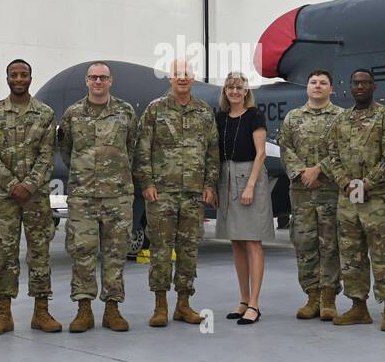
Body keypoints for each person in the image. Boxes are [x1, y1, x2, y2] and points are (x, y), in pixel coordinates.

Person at [135, 59, 219, 327]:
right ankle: (160, 305)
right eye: (177, 74)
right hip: (162, 194)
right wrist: (146, 183)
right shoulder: (155, 110)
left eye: (186, 74)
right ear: (170, 79)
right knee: (160, 250)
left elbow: (213, 152)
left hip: (194, 194)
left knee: (189, 250)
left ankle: (184, 304)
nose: (182, 78)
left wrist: (209, 184)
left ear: (193, 78)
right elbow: (142, 149)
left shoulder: (204, 112)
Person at [0, 58, 61, 335]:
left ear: (30, 77)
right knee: (4, 255)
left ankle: (41, 311)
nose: (18, 78)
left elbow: (48, 155)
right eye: (13, 75)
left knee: (40, 253)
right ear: (7, 79)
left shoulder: (46, 114)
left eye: (23, 74)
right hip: (4, 198)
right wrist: (13, 184)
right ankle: (3, 314)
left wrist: (29, 185)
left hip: (36, 198)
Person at [58, 61, 138, 333]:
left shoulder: (125, 112)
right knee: (82, 251)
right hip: (83, 197)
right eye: (93, 77)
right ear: (86, 81)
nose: (98, 82)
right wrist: (85, 175)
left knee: (115, 253)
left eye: (103, 77)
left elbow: (132, 148)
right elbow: (66, 151)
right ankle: (83, 309)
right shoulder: (72, 114)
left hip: (117, 196)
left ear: (111, 81)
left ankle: (113, 308)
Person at [325, 69, 385, 331]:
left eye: (365, 83)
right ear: (350, 87)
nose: (360, 87)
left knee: (383, 254)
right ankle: (358, 306)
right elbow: (332, 155)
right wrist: (346, 183)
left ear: (373, 86)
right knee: (351, 255)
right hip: (347, 200)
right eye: (355, 83)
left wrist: (367, 183)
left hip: (376, 198)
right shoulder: (341, 120)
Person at [277, 69, 344, 321]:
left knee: (330, 245)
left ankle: (328, 298)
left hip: (329, 191)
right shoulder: (293, 118)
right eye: (313, 82)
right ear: (307, 88)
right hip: (301, 192)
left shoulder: (341, 117)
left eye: (323, 83)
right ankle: (312, 296)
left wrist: (319, 170)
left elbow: (343, 150)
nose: (317, 86)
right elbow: (286, 149)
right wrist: (301, 172)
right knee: (304, 244)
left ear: (331, 89)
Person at [215, 71, 272, 326]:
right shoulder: (220, 118)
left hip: (250, 176)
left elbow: (261, 154)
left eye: (239, 87)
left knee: (252, 242)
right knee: (236, 241)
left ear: (246, 91)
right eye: (230, 87)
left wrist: (249, 186)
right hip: (226, 178)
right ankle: (243, 299)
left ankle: (255, 304)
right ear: (225, 91)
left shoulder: (254, 116)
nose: (235, 91)